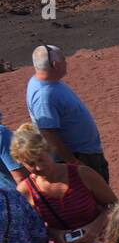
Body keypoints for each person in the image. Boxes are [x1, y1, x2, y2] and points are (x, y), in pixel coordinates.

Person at [12, 122, 116, 243]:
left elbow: (115, 205)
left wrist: (95, 226)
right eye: (31, 163)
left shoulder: (83, 174)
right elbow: (30, 230)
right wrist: (56, 235)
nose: (39, 167)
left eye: (41, 159)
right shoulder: (25, 191)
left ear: (50, 151)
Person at [26, 44, 109, 182]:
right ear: (55, 65)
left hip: (85, 153)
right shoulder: (44, 96)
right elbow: (48, 133)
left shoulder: (48, 82)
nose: (66, 62)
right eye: (64, 60)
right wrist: (73, 162)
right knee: (99, 196)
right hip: (80, 156)